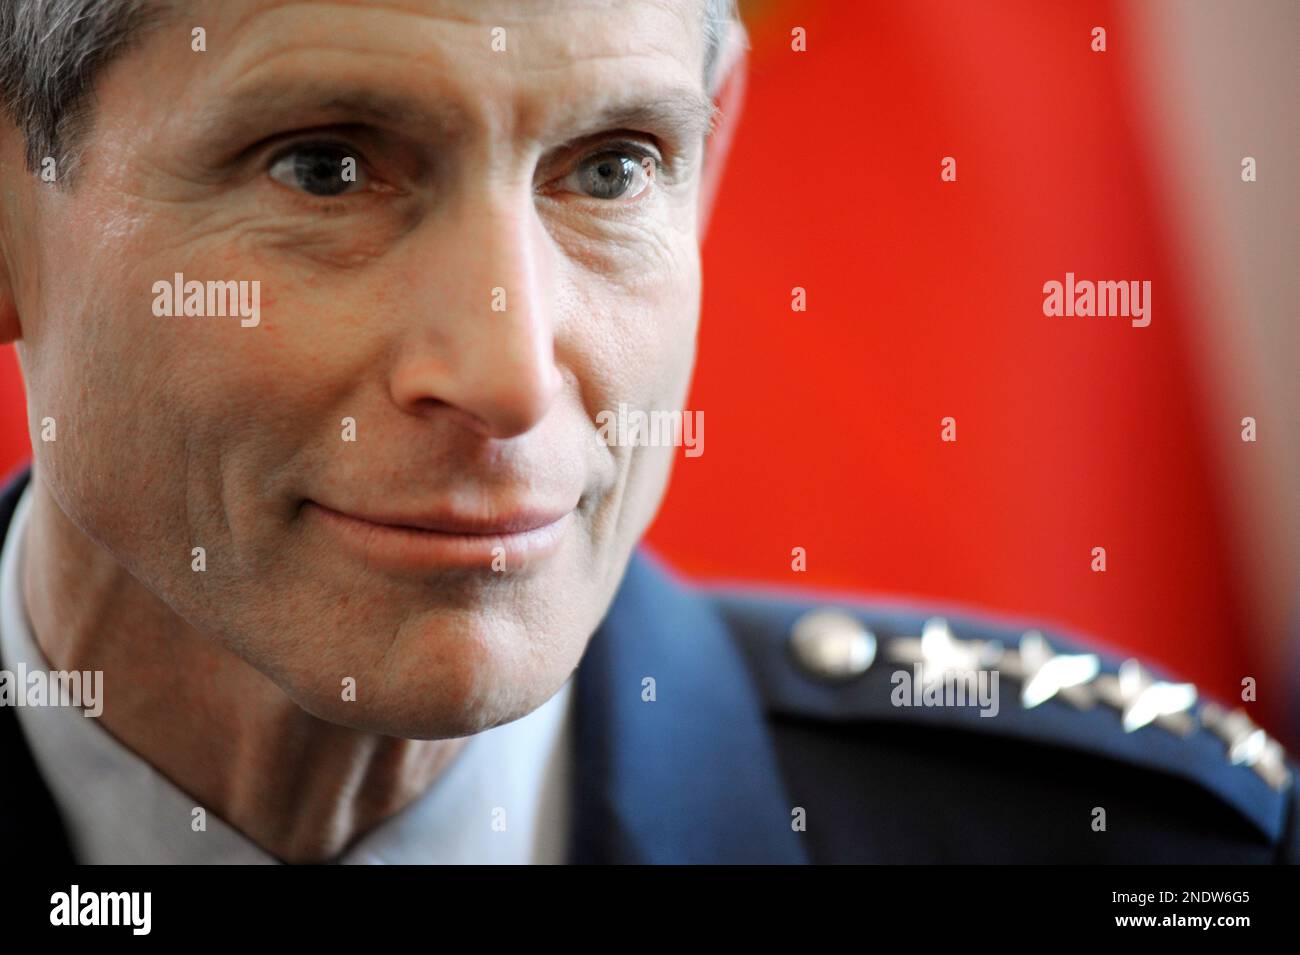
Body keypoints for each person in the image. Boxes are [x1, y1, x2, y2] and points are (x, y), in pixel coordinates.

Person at [0, 0, 1292, 865]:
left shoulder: (1122, 844)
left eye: (612, 167)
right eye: (325, 168)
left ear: (711, 161)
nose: (509, 376)